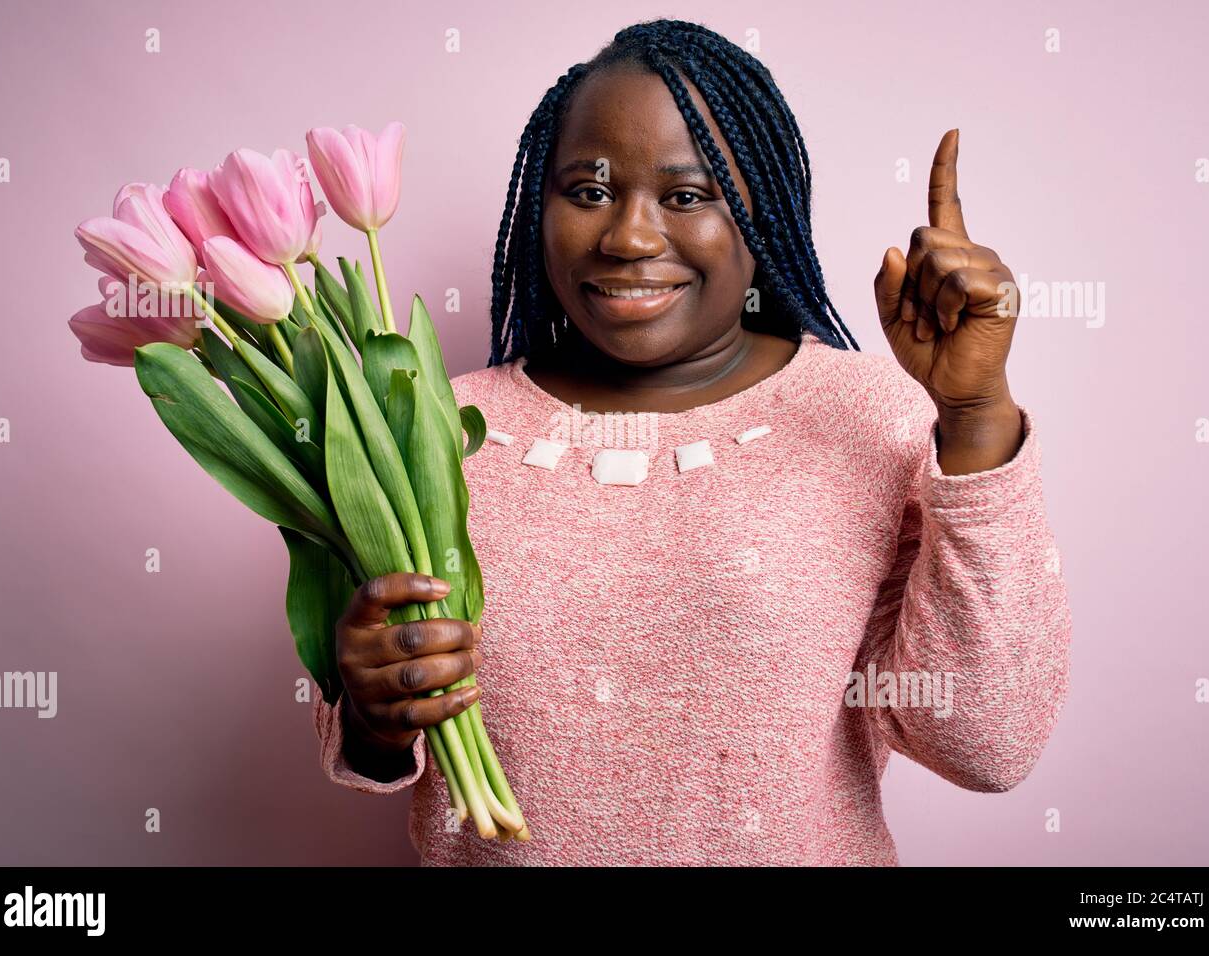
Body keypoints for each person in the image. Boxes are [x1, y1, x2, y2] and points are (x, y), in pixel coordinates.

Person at [311, 18, 1072, 866]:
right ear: (540, 205)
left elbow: (985, 745)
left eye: (687, 195)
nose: (630, 237)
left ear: (765, 216)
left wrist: (973, 419)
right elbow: (380, 746)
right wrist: (373, 717)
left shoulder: (869, 416)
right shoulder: (428, 429)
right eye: (590, 191)